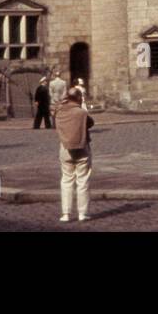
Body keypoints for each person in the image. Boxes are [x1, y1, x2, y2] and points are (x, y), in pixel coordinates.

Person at [54, 88, 93, 222]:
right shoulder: (81, 112)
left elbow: (55, 116)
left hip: (65, 148)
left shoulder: (59, 112)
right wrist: (81, 106)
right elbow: (91, 123)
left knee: (66, 180)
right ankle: (82, 213)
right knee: (82, 181)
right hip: (82, 148)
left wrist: (63, 104)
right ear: (78, 98)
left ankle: (66, 213)